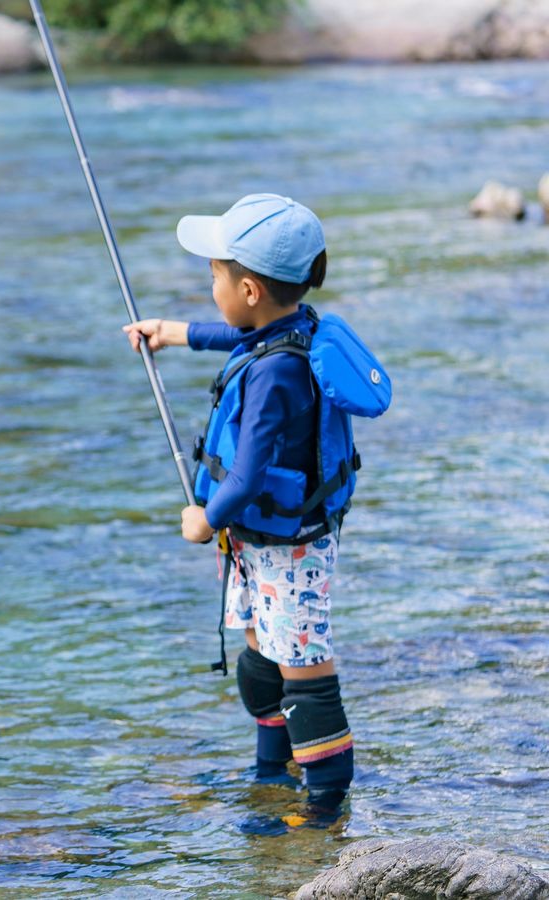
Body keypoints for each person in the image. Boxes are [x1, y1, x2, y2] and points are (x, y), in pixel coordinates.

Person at [123, 194, 385, 829]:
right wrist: (175, 332)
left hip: (288, 545)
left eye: (213, 276)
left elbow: (244, 476)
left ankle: (325, 801)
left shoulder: (276, 378)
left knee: (301, 662)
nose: (208, 286)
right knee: (258, 653)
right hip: (255, 543)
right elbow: (240, 336)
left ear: (246, 288)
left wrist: (205, 518)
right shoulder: (290, 326)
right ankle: (275, 769)